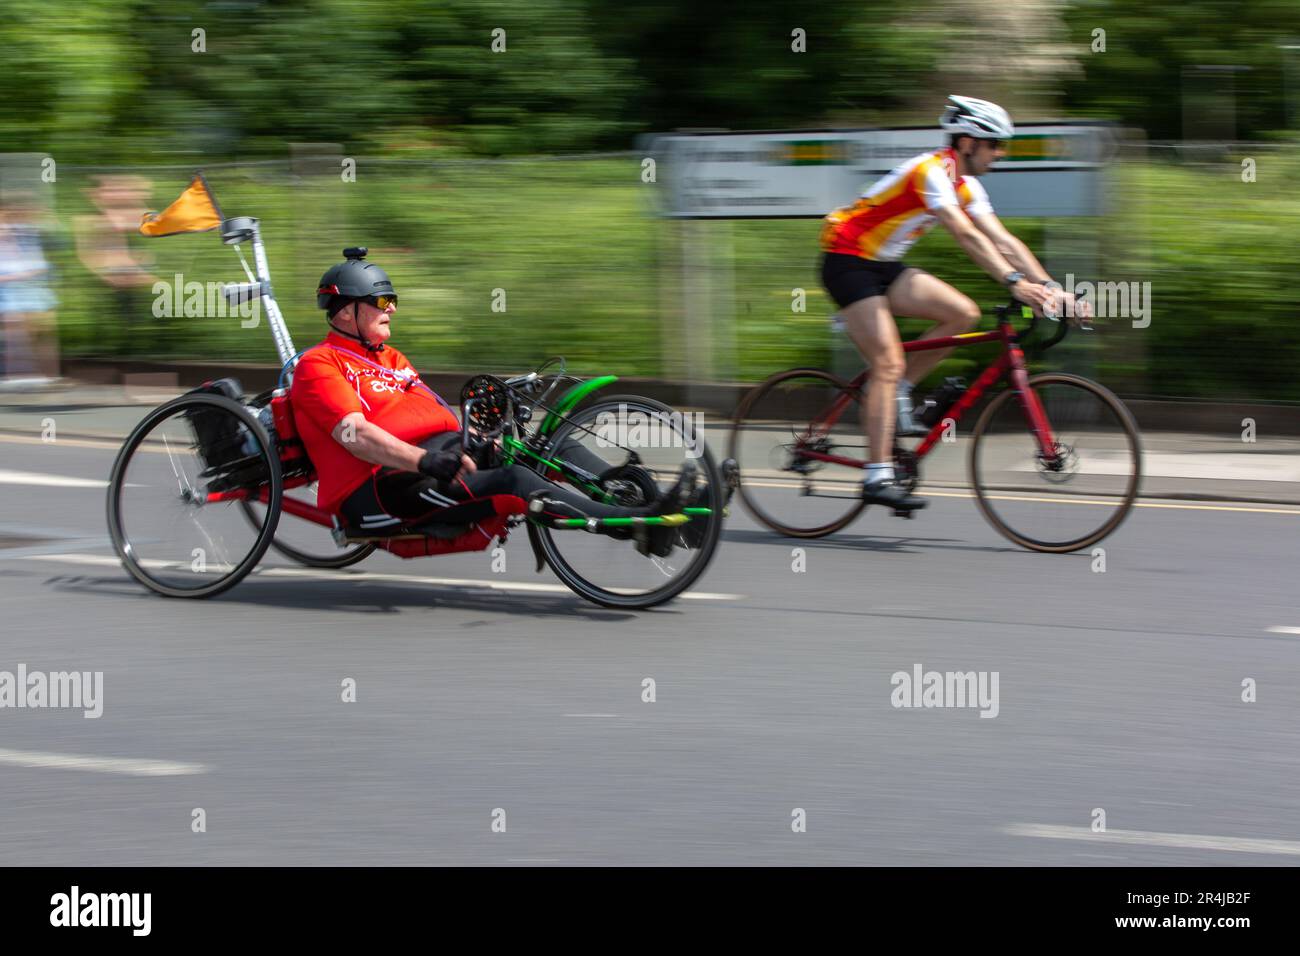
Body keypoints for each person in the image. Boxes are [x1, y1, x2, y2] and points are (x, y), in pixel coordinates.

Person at [289, 248, 697, 557]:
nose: (391, 308)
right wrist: (424, 460)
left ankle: (673, 514)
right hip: (384, 490)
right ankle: (639, 525)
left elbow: (431, 418)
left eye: (392, 298)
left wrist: (483, 437)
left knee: (545, 449)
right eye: (380, 301)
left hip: (439, 461)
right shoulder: (319, 364)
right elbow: (354, 434)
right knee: (515, 483)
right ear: (344, 313)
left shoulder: (389, 358)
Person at [819, 95, 1089, 511]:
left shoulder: (967, 185)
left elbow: (1004, 241)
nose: (1000, 154)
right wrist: (1015, 283)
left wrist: (1052, 289)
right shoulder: (931, 172)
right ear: (967, 143)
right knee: (887, 362)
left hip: (883, 264)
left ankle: (897, 395)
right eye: (994, 145)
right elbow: (966, 235)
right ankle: (876, 476)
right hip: (846, 261)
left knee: (963, 313)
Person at [0, 191, 59, 388]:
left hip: (30, 285)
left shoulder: (24, 232)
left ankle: (48, 375)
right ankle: (17, 375)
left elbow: (38, 261)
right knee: (15, 328)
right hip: (9, 288)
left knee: (43, 328)